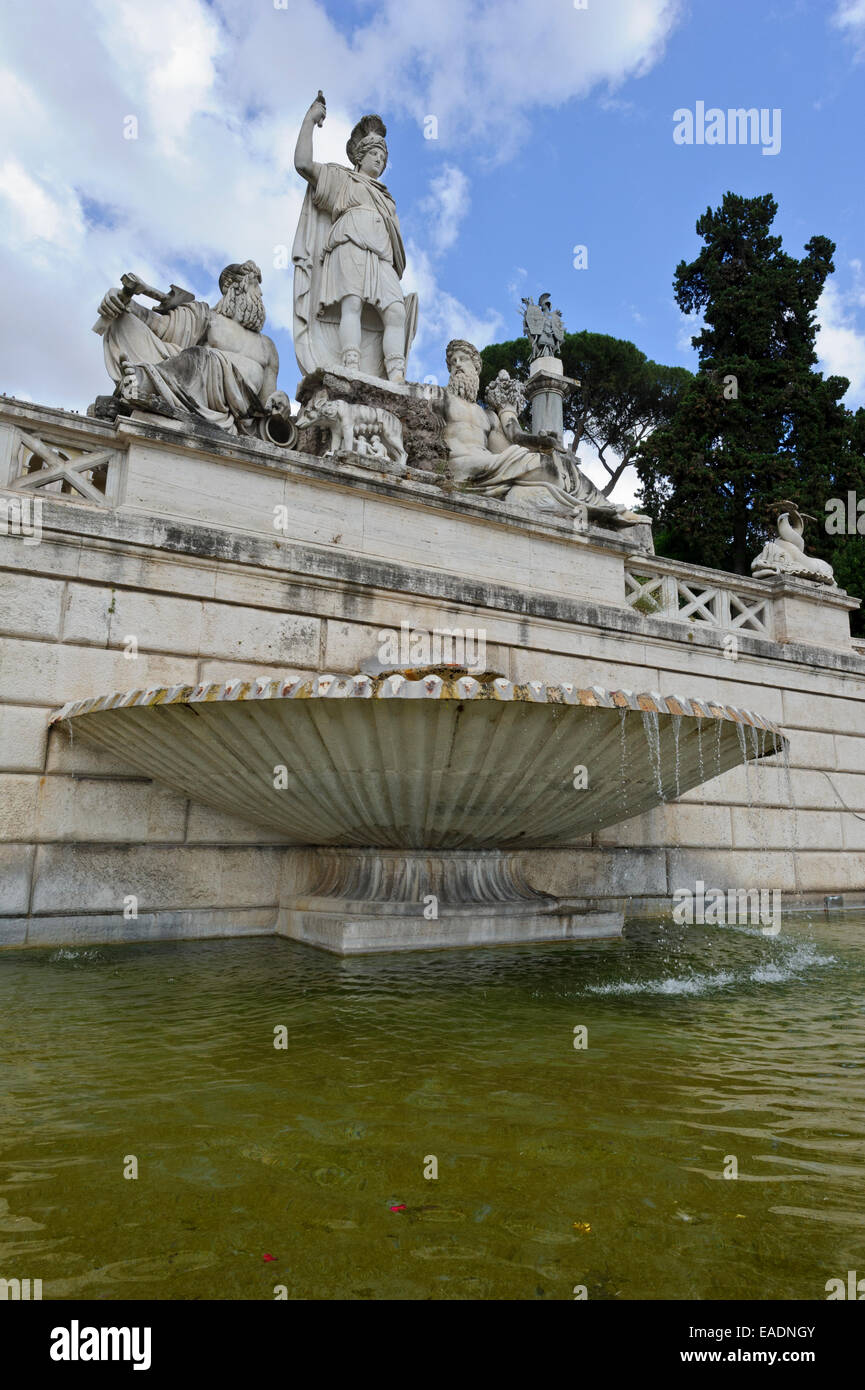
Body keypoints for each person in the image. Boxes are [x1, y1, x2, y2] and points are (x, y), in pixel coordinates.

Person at [292, 91, 417, 382]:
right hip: (349, 243)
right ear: (360, 156)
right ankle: (350, 366)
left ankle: (396, 375)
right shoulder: (341, 178)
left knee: (396, 312)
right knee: (352, 305)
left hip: (381, 255)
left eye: (383, 157)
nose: (379, 160)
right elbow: (302, 164)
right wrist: (309, 121)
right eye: (375, 154)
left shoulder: (387, 198)